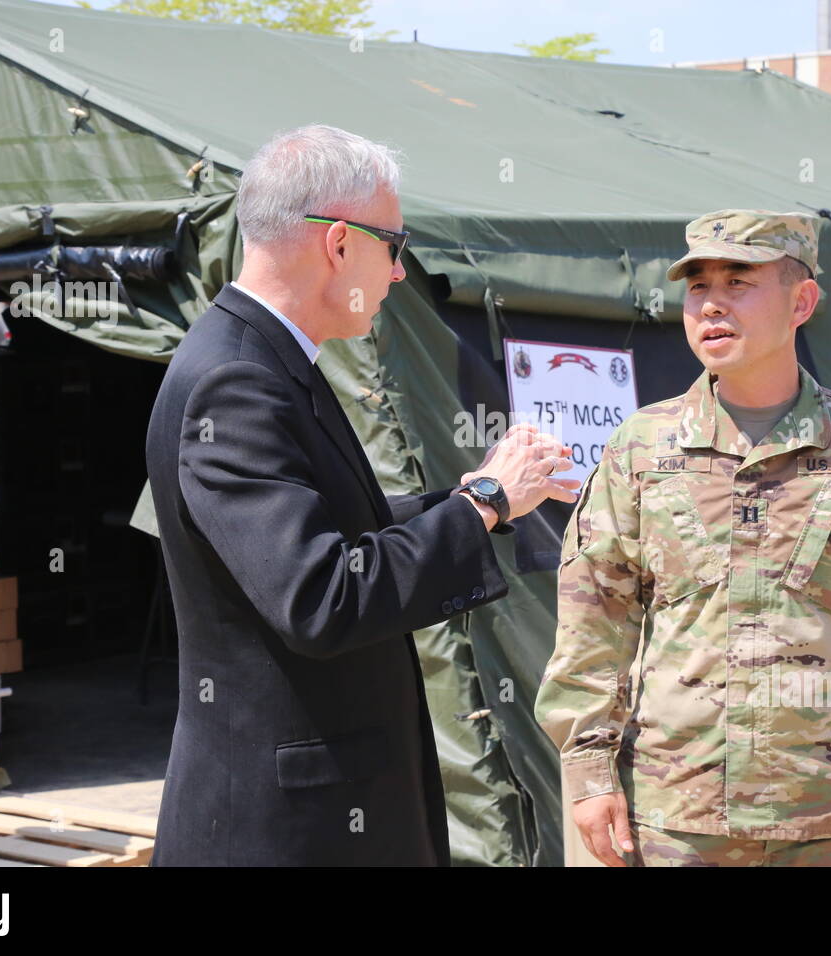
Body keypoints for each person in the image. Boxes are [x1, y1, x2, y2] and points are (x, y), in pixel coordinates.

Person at [145, 124, 579, 866]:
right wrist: (483, 507)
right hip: (287, 829)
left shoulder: (263, 359)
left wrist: (487, 492)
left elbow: (337, 533)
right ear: (340, 244)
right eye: (395, 247)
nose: (400, 274)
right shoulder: (240, 380)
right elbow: (321, 597)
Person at [535, 209, 831, 867]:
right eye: (697, 287)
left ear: (802, 301)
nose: (712, 304)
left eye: (739, 282)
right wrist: (589, 773)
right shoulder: (642, 449)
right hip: (677, 819)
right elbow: (594, 624)